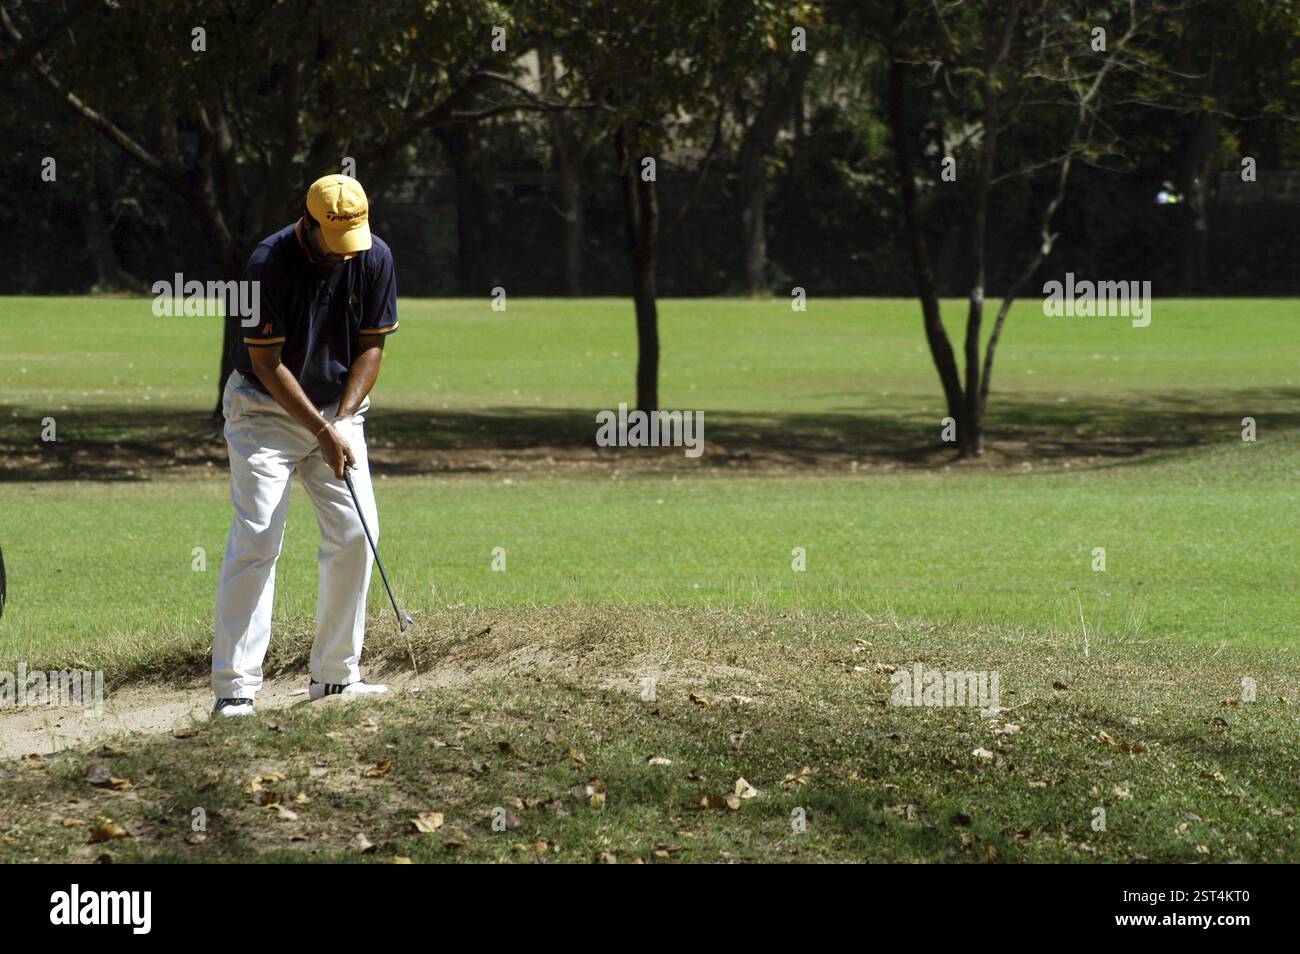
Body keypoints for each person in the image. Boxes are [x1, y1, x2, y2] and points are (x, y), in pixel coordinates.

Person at [211, 174, 398, 716]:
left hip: (337, 411)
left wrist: (339, 421)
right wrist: (321, 431)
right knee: (258, 537)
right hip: (263, 411)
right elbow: (267, 364)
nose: (345, 255)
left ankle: (336, 677)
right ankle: (235, 690)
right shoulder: (266, 265)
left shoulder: (374, 255)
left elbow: (371, 348)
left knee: (357, 533)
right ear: (309, 221)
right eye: (333, 240)